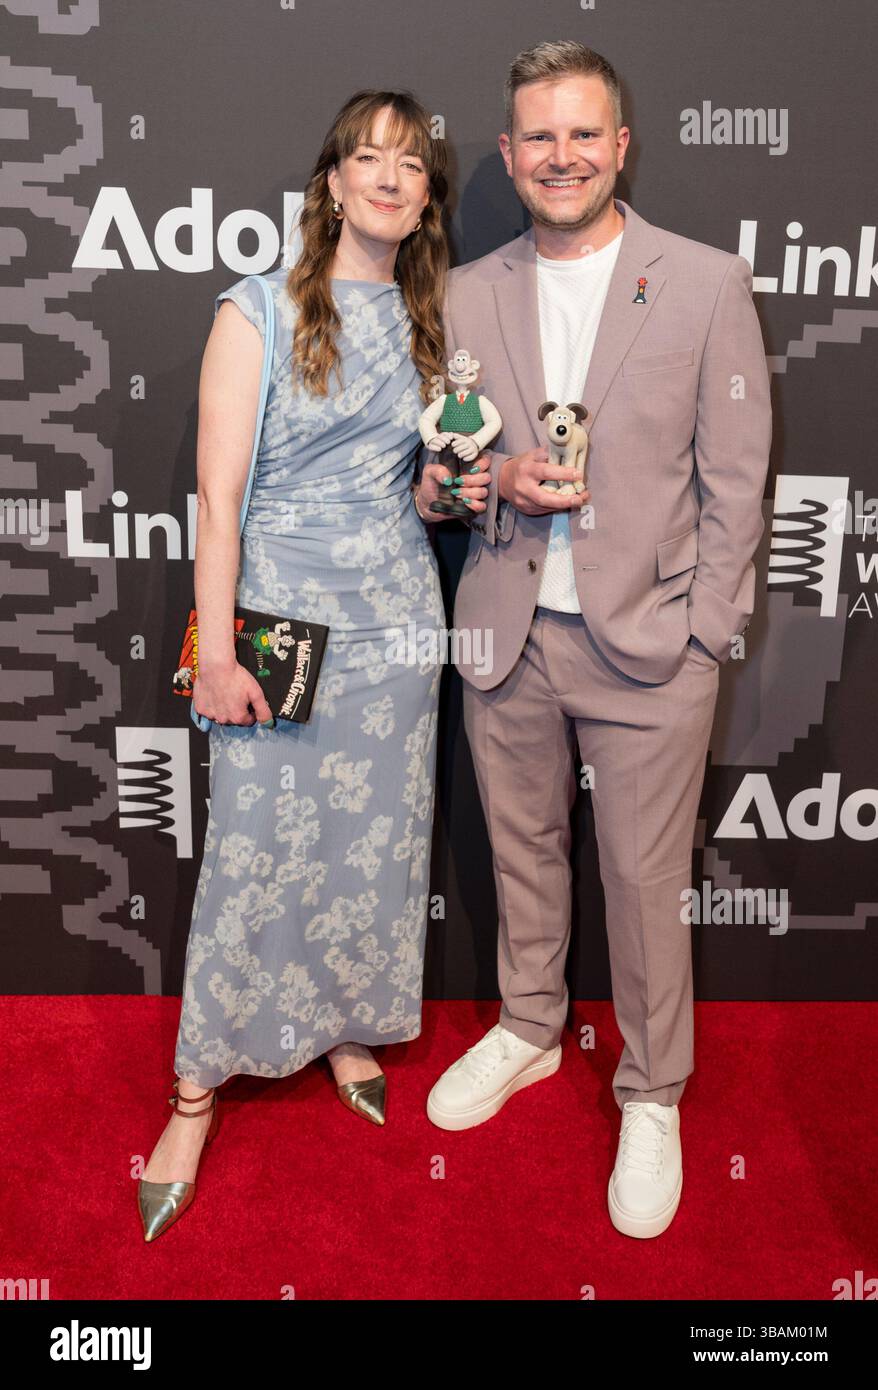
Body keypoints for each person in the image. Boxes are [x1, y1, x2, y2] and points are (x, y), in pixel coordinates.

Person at [427, 41, 772, 1239]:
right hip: (506, 631)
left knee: (640, 884)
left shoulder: (702, 281)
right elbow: (438, 472)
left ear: (618, 146)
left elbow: (737, 482)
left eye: (583, 134)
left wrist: (703, 637)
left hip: (648, 647)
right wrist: (486, 483)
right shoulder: (467, 291)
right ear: (511, 152)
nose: (559, 156)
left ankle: (650, 1090)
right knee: (521, 855)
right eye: (537, 136)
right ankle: (528, 1027)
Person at [138, 89, 490, 1243]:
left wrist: (451, 488)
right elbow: (219, 504)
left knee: (373, 846)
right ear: (330, 182)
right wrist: (219, 652)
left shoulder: (429, 319)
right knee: (252, 853)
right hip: (284, 628)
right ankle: (195, 1092)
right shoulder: (255, 313)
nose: (388, 177)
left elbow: (417, 488)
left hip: (395, 627)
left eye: (409, 163)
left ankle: (346, 1025)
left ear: (425, 196)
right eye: (366, 158)